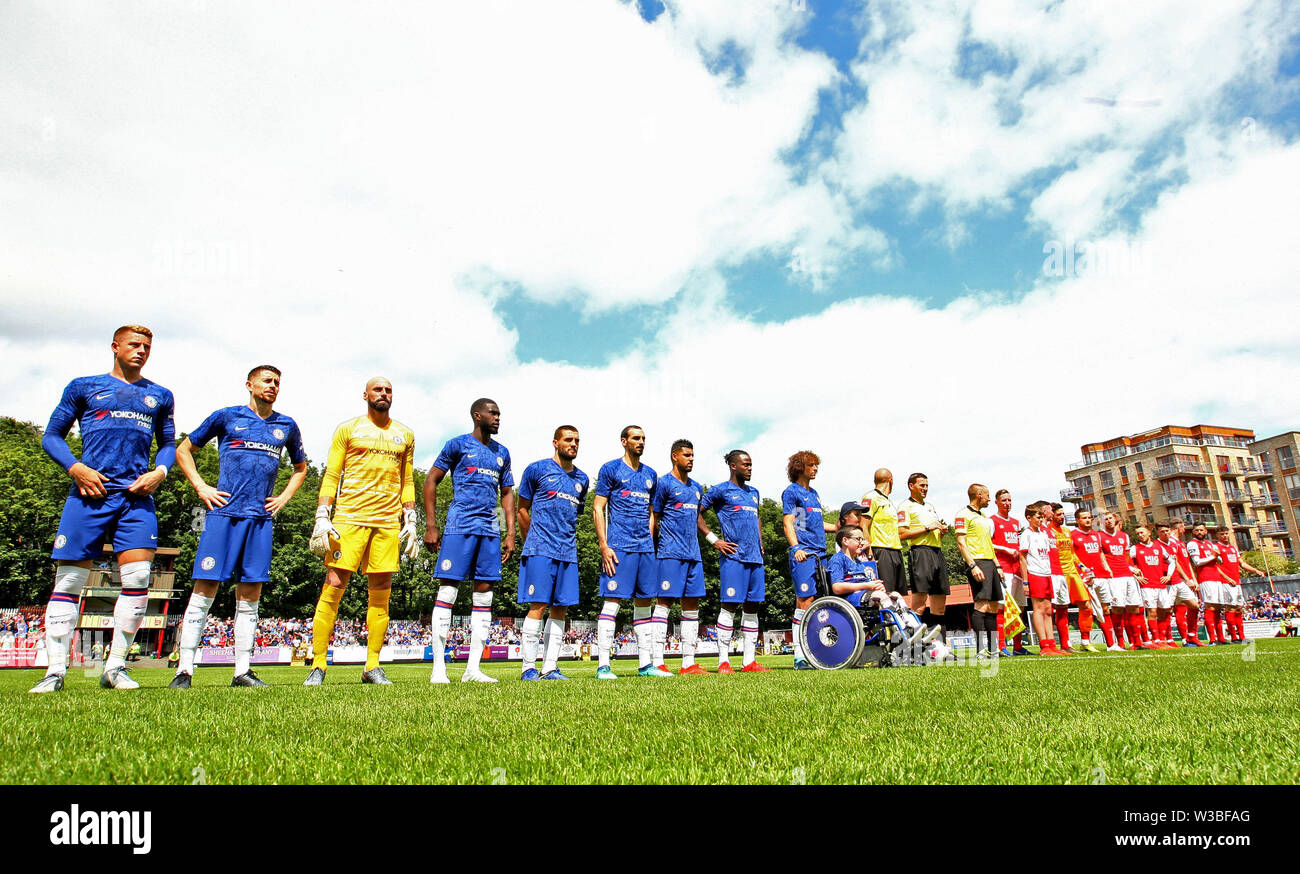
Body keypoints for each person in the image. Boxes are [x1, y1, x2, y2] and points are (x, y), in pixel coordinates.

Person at [30, 325, 177, 693]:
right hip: (89, 493)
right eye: (134, 344)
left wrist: (159, 471)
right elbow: (51, 436)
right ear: (115, 346)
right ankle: (56, 671)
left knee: (140, 579)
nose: (141, 351)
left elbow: (169, 443)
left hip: (135, 497)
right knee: (69, 581)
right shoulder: (83, 386)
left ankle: (115, 668)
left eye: (147, 346)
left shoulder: (160, 395)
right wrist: (75, 467)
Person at [170, 365, 308, 689]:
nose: (273, 386)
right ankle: (184, 670)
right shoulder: (226, 417)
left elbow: (300, 468)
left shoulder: (286, 425)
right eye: (267, 380)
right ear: (250, 384)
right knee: (204, 589)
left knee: (250, 594)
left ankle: (242, 671)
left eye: (277, 382)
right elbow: (183, 450)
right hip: (223, 515)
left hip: (260, 520)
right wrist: (202, 488)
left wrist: (284, 498)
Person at [303, 377, 417, 686]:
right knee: (334, 584)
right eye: (378, 389)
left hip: (386, 522)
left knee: (381, 593)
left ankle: (372, 665)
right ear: (365, 395)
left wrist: (411, 518)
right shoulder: (348, 429)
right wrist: (322, 514)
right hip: (349, 518)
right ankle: (318, 664)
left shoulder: (404, 434)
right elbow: (332, 474)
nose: (384, 393)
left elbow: (406, 480)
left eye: (389, 389)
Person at [424, 398, 515, 684]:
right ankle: (439, 668)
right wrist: (431, 525)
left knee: (484, 595)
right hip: (459, 526)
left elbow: (507, 494)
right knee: (448, 590)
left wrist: (509, 532)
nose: (498, 417)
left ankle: (472, 670)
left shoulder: (503, 452)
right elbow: (431, 480)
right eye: (493, 413)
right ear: (478, 415)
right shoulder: (457, 444)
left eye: (499, 413)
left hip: (490, 530)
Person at [516, 426, 589, 680]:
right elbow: (522, 509)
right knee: (538, 605)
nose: (574, 444)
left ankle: (550, 667)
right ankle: (528, 667)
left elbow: (574, 517)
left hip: (568, 551)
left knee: (561, 608)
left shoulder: (582, 479)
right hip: (540, 548)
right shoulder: (536, 470)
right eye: (569, 440)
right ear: (555, 442)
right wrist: (531, 541)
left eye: (577, 441)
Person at [591, 426, 659, 679]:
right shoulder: (610, 469)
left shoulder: (651, 474)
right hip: (619, 547)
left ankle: (645, 665)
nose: (641, 442)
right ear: (624, 441)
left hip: (644, 549)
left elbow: (652, 511)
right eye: (636, 438)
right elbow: (598, 508)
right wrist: (603, 545)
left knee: (644, 605)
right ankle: (603, 666)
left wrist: (649, 538)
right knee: (612, 603)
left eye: (643, 438)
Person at [701, 450, 769, 673]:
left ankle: (749, 661)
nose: (750, 468)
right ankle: (723, 661)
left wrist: (760, 541)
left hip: (755, 559)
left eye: (751, 464)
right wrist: (714, 540)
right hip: (733, 557)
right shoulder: (721, 490)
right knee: (729, 606)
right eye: (746, 464)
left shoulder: (754, 493)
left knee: (752, 608)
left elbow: (757, 517)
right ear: (733, 466)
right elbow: (695, 513)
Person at [650, 439, 708, 676]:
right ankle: (657, 661)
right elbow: (653, 517)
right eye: (686, 455)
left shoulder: (696, 488)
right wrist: (651, 549)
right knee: (664, 603)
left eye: (693, 455)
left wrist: (711, 539)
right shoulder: (663, 484)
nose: (691, 459)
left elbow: (697, 519)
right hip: (669, 553)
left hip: (693, 554)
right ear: (675, 456)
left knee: (692, 607)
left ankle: (688, 663)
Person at [782, 450, 837, 670]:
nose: (815, 469)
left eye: (816, 465)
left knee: (819, 602)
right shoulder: (792, 492)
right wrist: (795, 547)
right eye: (811, 465)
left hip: (820, 553)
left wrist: (837, 528)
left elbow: (812, 523)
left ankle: (815, 651)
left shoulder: (814, 494)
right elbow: (790, 523)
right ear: (800, 467)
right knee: (804, 601)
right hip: (803, 553)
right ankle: (799, 656)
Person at [899, 472, 950, 648]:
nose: (925, 489)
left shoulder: (929, 506)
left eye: (927, 485)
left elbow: (934, 532)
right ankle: (914, 647)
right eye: (922, 485)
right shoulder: (905, 506)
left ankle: (940, 646)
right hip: (920, 553)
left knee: (940, 604)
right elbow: (902, 534)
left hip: (937, 552)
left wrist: (941, 531)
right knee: (919, 602)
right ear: (911, 486)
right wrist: (927, 528)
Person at [953, 484, 1003, 659]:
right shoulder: (963, 515)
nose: (989, 499)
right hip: (978, 562)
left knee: (994, 606)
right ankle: (981, 649)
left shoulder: (983, 516)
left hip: (990, 562)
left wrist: (997, 565)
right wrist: (972, 565)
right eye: (988, 495)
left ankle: (994, 648)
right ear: (979, 495)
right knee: (981, 603)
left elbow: (988, 543)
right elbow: (961, 542)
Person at [1069, 509, 1121, 651]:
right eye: (1084, 518)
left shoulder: (1096, 535)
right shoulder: (1072, 535)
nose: (1088, 520)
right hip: (1085, 577)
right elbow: (1071, 556)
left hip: (1101, 576)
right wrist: (1080, 573)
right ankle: (1085, 641)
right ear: (1077, 520)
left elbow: (1100, 553)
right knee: (1087, 609)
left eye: (1089, 517)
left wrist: (1107, 568)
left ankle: (1111, 644)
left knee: (1105, 609)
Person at [1018, 504, 1064, 656]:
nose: (1040, 520)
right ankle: (1043, 645)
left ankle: (1052, 644)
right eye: (1038, 518)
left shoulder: (1043, 534)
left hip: (1047, 574)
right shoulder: (1026, 535)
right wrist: (1026, 581)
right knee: (1038, 609)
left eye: (1041, 517)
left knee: (1048, 609)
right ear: (1029, 518)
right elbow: (1022, 559)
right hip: (1035, 574)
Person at [1099, 511, 1147, 649]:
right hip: (1114, 577)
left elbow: (1126, 556)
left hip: (1127, 575)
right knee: (1118, 608)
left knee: (1133, 607)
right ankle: (1120, 641)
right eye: (1106, 519)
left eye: (1110, 518)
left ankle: (1136, 642)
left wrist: (1132, 569)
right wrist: (1107, 569)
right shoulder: (1100, 536)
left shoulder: (1124, 536)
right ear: (1102, 522)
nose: (1108, 521)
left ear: (1116, 520)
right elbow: (1100, 555)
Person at [990, 489, 1030, 655]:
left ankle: (1018, 646)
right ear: (997, 503)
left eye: (1009, 500)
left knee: (1019, 608)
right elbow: (988, 545)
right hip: (1003, 569)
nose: (1007, 503)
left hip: (1018, 570)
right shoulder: (991, 521)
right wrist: (1005, 549)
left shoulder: (1016, 523)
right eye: (1004, 500)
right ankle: (1001, 645)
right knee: (1002, 607)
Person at [1156, 521, 1202, 647]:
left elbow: (1186, 563)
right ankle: (1170, 639)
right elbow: (1176, 563)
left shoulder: (1180, 543)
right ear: (1179, 527)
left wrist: (1193, 579)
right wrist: (1187, 578)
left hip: (1181, 580)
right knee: (1168, 610)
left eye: (1166, 531)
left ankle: (1191, 636)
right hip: (1173, 580)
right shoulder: (1168, 543)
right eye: (1183, 527)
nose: (1184, 530)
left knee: (1194, 606)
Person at [1130, 525, 1177, 648]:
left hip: (1160, 584)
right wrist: (1136, 576)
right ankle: (1155, 640)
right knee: (1152, 611)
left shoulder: (1159, 547)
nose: (1140, 535)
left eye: (1142, 532)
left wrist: (1169, 576)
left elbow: (1172, 561)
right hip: (1147, 585)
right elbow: (1126, 563)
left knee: (1165, 610)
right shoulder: (1135, 548)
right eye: (1138, 534)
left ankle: (1162, 639)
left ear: (1149, 533)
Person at [861, 469, 906, 597]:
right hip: (881, 551)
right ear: (891, 480)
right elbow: (863, 525)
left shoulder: (888, 501)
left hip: (896, 550)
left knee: (897, 595)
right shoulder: (870, 497)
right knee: (886, 593)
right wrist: (869, 554)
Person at [1214, 527, 1263, 644]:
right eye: (1222, 534)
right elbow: (1214, 565)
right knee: (1230, 608)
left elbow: (1241, 563)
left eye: (1226, 534)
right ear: (1217, 536)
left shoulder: (1232, 548)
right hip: (1226, 582)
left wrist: (1256, 570)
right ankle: (1234, 637)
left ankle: (1242, 636)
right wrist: (1226, 578)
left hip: (1237, 582)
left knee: (1239, 608)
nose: (1225, 536)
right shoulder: (1216, 548)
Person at [1186, 523, 1226, 645]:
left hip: (1216, 577)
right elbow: (1197, 562)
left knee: (1218, 608)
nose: (1199, 532)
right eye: (1197, 530)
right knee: (1210, 608)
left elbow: (1220, 560)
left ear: (1206, 531)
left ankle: (1221, 638)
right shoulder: (1192, 543)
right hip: (1205, 578)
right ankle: (1212, 639)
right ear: (1193, 532)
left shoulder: (1209, 543)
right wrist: (1213, 556)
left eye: (1201, 530)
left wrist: (1217, 556)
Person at [826, 528, 887, 605]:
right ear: (845, 541)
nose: (862, 543)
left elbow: (869, 583)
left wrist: (877, 587)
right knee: (880, 597)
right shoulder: (837, 559)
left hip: (864, 593)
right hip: (848, 598)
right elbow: (837, 588)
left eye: (863, 539)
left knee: (895, 596)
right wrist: (867, 585)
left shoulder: (858, 562)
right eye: (858, 539)